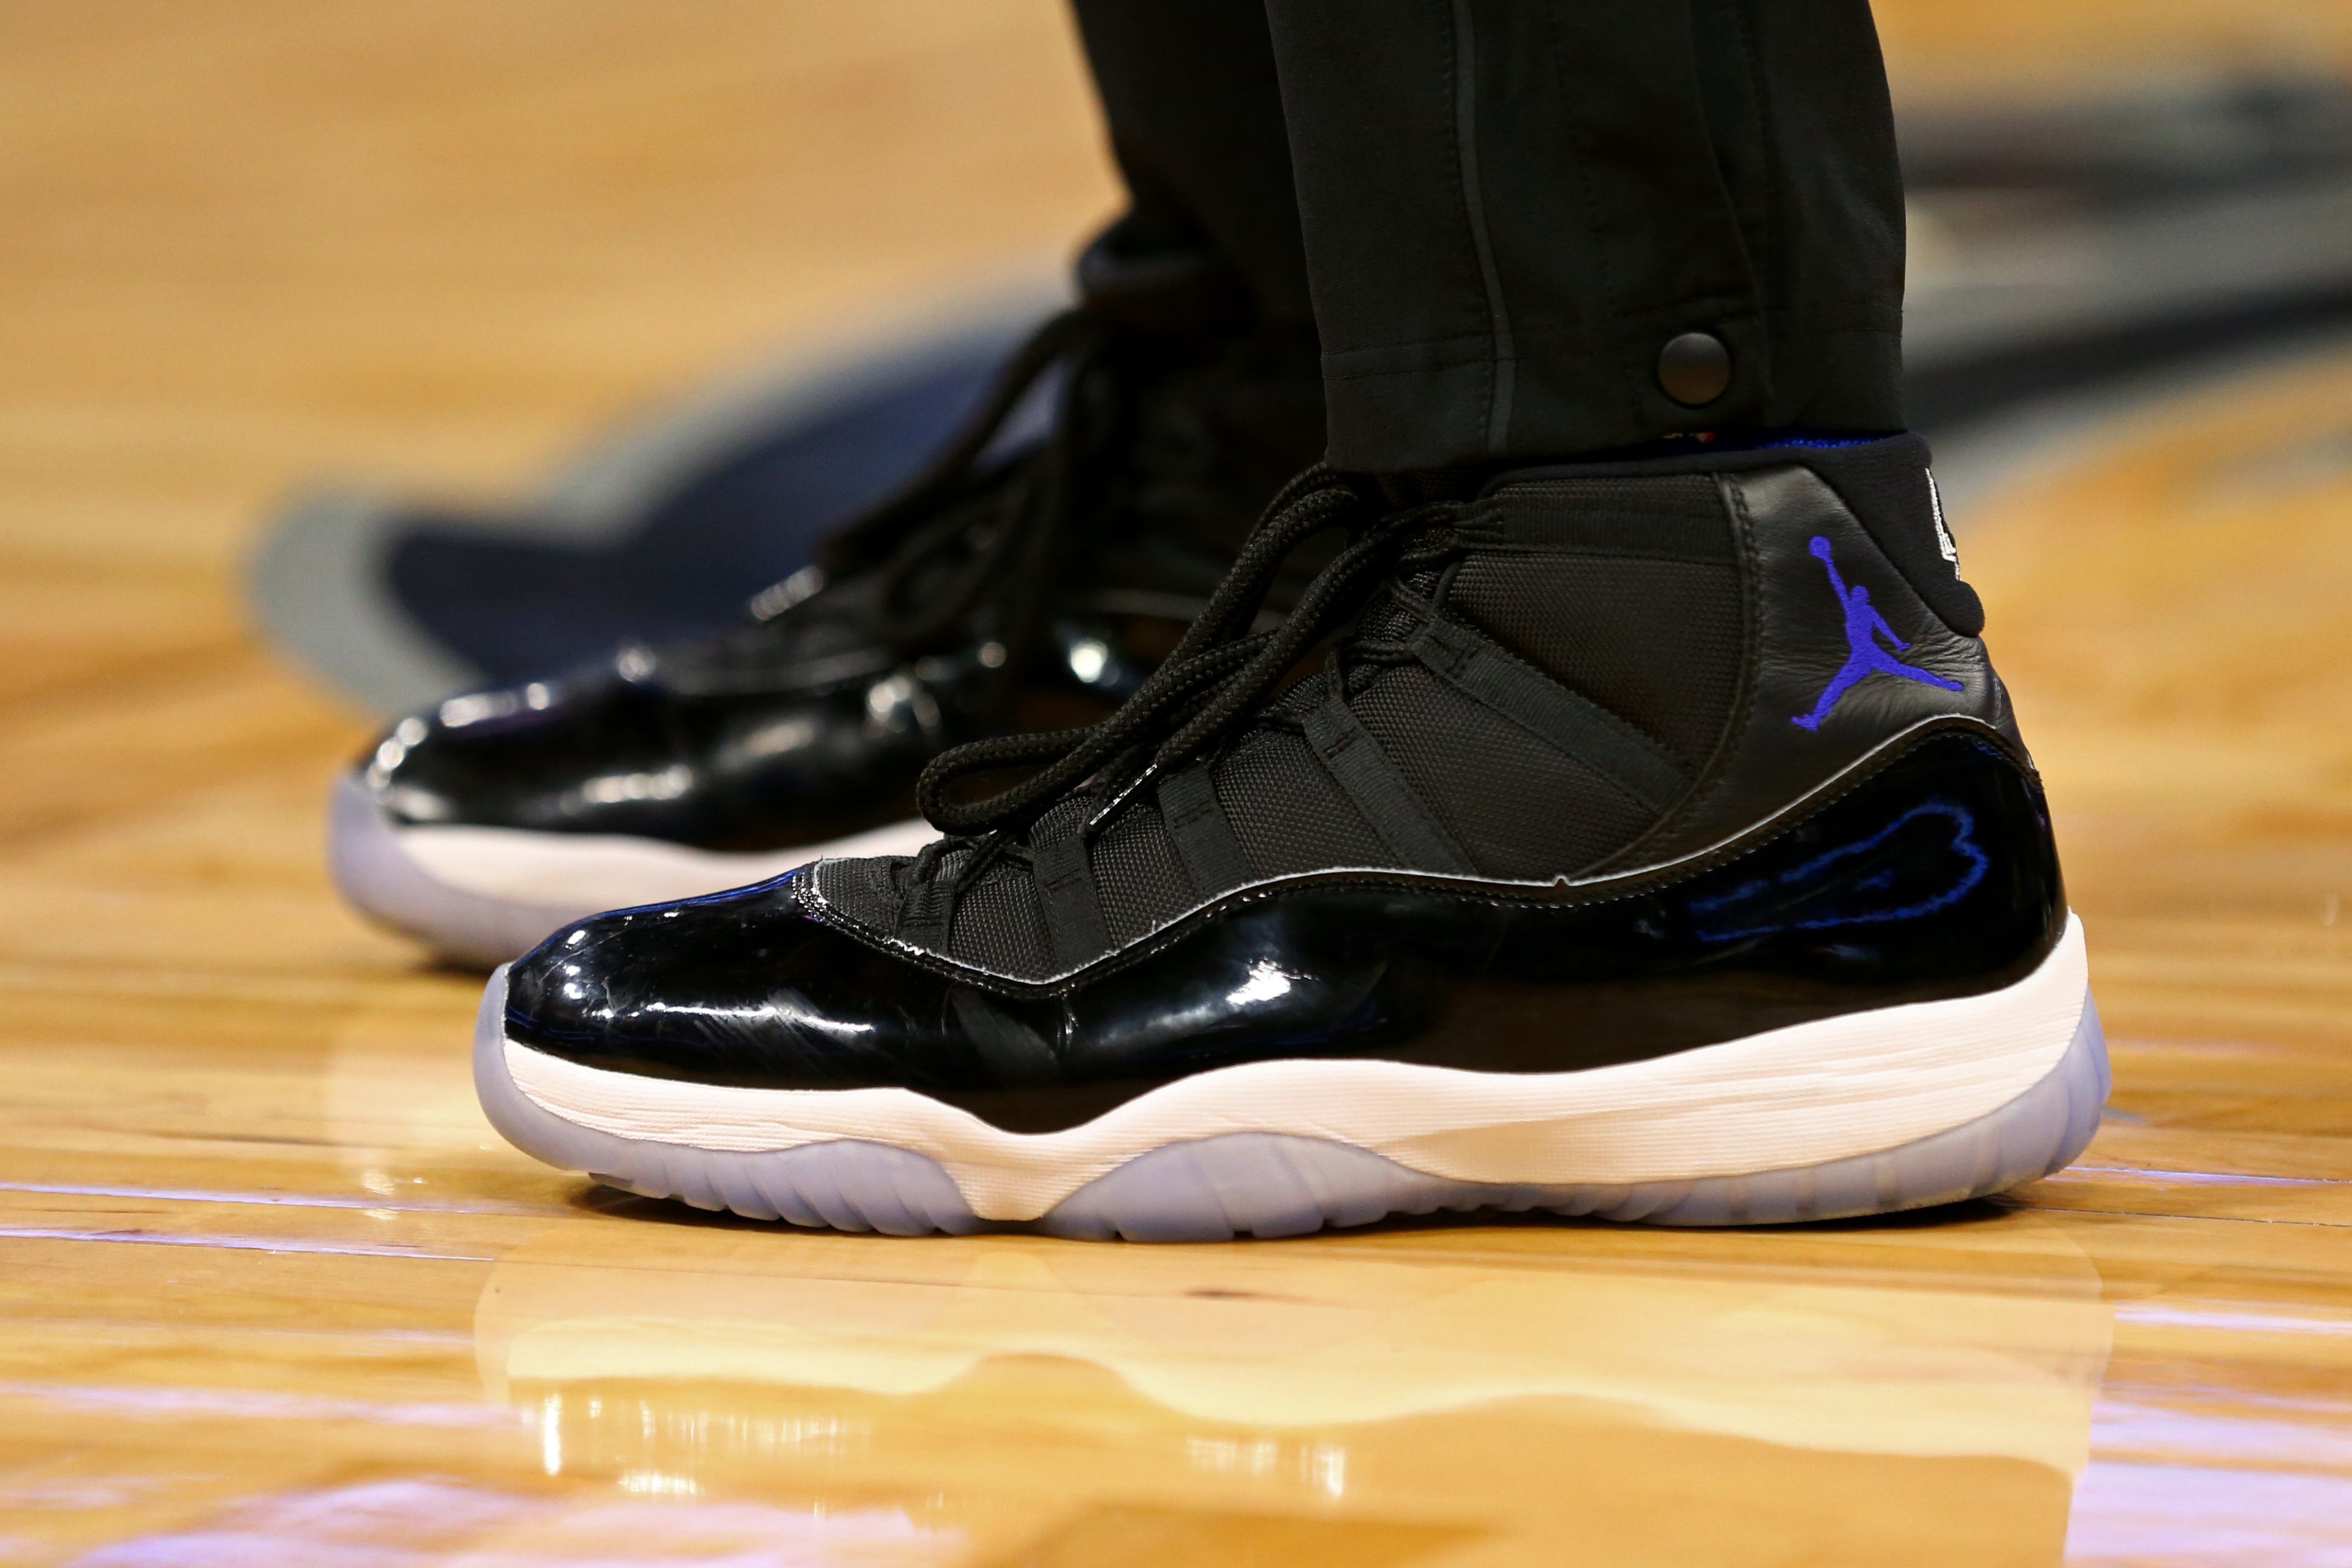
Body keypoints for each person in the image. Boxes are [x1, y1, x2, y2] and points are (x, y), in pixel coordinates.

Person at [412, 1, 2097, 1240]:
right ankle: (1289, 424)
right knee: (1316, 328)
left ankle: (1649, 626)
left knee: (1617, 441)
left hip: (1687, 617)